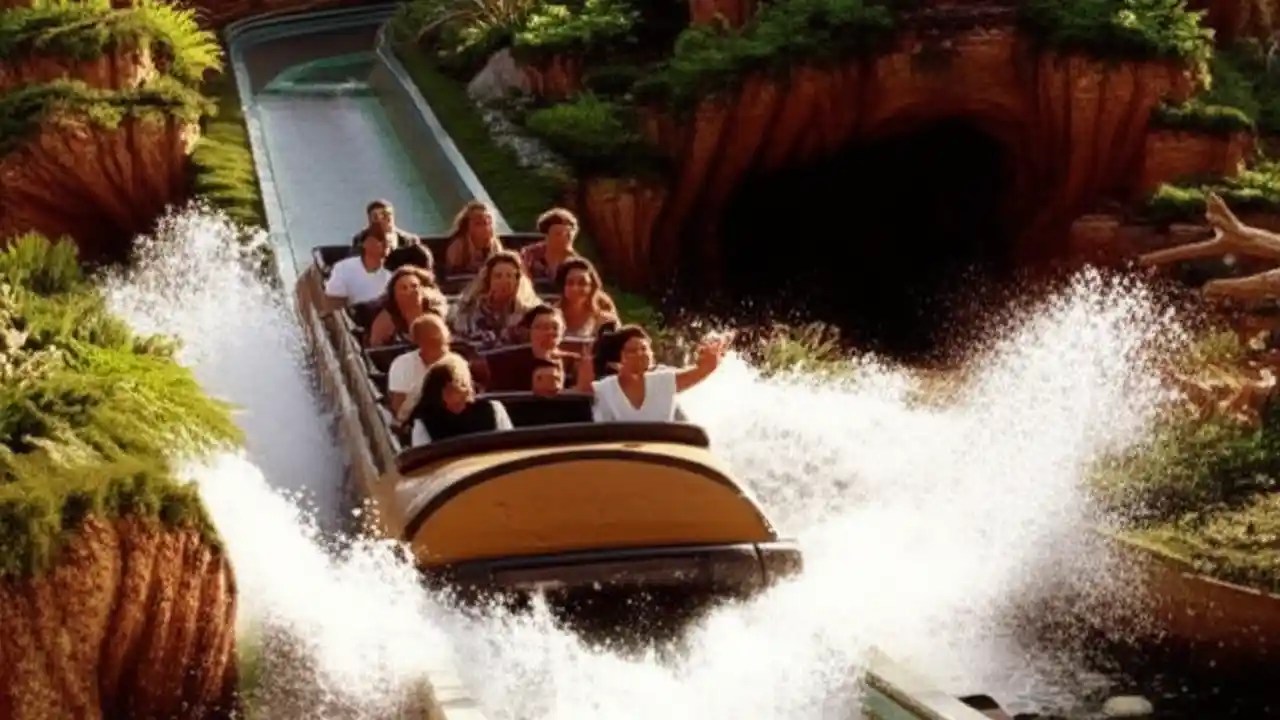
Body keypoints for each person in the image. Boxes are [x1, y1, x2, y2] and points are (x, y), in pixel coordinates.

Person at [588, 325, 731, 423]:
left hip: (662, 458)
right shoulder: (603, 389)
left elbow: (702, 369)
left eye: (644, 349)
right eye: (632, 351)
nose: (641, 354)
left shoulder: (663, 380)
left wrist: (712, 353)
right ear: (616, 362)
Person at [407, 353, 513, 445]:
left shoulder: (494, 410)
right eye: (448, 391)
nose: (461, 392)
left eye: (460, 386)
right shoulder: (424, 424)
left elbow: (509, 448)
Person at [447, 251, 541, 348]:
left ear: (517, 281)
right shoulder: (468, 310)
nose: (504, 281)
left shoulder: (530, 313)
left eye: (509, 276)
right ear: (488, 280)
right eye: (498, 276)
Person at [388, 313, 451, 418]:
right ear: (420, 343)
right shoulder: (403, 364)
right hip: (413, 421)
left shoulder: (454, 363)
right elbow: (397, 408)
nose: (441, 347)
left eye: (443, 340)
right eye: (434, 341)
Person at [366, 267, 448, 347]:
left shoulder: (442, 316)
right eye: (404, 288)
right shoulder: (385, 320)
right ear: (394, 296)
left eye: (414, 286)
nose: (410, 291)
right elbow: (375, 350)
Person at [324, 229, 391, 311]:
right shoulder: (343, 268)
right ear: (365, 244)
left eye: (388, 241)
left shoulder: (391, 278)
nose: (385, 244)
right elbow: (333, 309)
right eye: (380, 239)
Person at [553, 257, 618, 338]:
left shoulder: (605, 321)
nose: (575, 288)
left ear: (591, 287)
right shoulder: (551, 317)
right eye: (570, 283)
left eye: (582, 283)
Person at [351, 199, 426, 259]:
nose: (382, 220)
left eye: (386, 215)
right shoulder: (360, 239)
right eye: (376, 217)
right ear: (369, 219)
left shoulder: (410, 240)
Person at [443, 201, 503, 275]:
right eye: (478, 223)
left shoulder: (495, 245)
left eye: (488, 223)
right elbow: (451, 274)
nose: (485, 228)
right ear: (467, 226)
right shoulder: (458, 246)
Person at [521, 207, 581, 282]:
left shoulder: (576, 263)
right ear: (547, 235)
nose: (564, 239)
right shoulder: (530, 255)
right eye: (558, 234)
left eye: (568, 235)